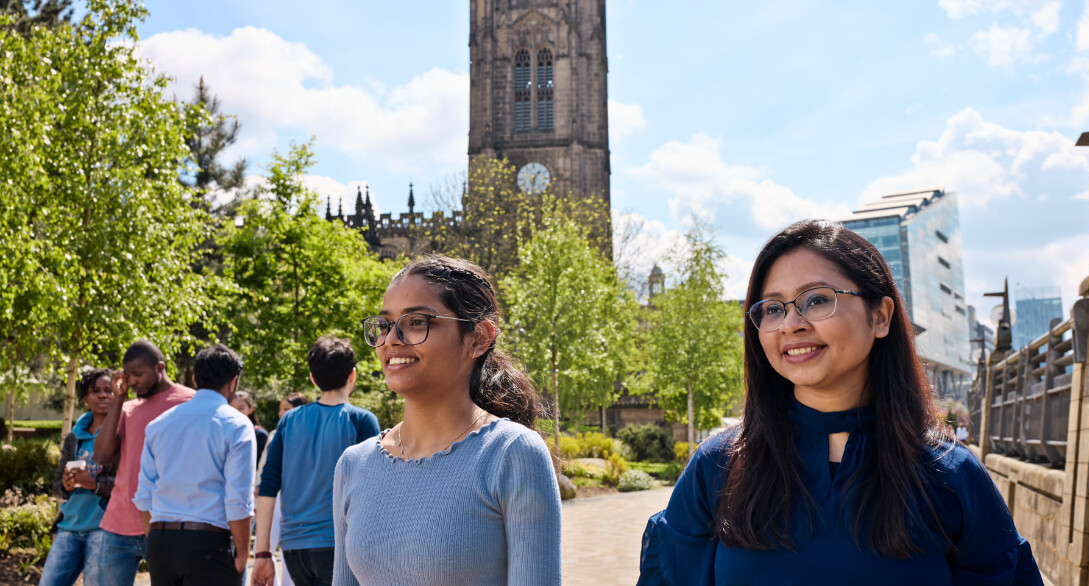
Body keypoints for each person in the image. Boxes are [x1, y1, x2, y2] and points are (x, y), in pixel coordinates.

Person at [638, 220, 1043, 585]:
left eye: (816, 299)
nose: (792, 324)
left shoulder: (948, 473)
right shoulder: (721, 465)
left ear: (881, 317)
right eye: (773, 308)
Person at [332, 255, 562, 586]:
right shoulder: (353, 465)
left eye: (416, 322)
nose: (391, 340)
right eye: (384, 325)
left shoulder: (512, 454)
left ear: (478, 338)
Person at [251, 337, 380, 586]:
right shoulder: (362, 420)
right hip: (338, 547)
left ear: (312, 379)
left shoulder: (288, 422)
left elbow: (267, 487)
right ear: (352, 375)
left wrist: (263, 552)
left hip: (293, 551)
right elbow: (373, 491)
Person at [134, 343, 256, 585]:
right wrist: (243, 554)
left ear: (194, 378)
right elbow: (238, 500)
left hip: (161, 541)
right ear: (234, 381)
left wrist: (158, 540)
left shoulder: (158, 424)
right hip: (209, 543)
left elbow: (144, 496)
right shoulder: (237, 425)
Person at [92, 339, 195, 586]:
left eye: (138, 374)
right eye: (128, 375)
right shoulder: (127, 407)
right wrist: (117, 400)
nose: (132, 381)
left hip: (166, 523)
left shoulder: (189, 401)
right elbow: (102, 457)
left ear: (160, 367)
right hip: (119, 523)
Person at [40, 369, 117, 586]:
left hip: (103, 529)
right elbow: (57, 486)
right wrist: (65, 486)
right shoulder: (74, 437)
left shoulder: (123, 434)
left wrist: (94, 484)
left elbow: (128, 484)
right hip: (69, 527)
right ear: (85, 398)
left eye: (108, 390)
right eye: (96, 391)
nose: (103, 395)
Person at [252, 391, 311, 586]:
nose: (281, 413)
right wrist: (257, 485)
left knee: (289, 547)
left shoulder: (308, 435)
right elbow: (263, 466)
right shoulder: (274, 435)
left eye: (286, 409)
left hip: (295, 498)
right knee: (264, 543)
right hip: (271, 496)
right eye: (280, 409)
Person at [231, 390, 270, 467]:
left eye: (241, 408)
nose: (235, 412)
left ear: (250, 409)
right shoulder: (224, 432)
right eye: (232, 408)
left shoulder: (260, 435)